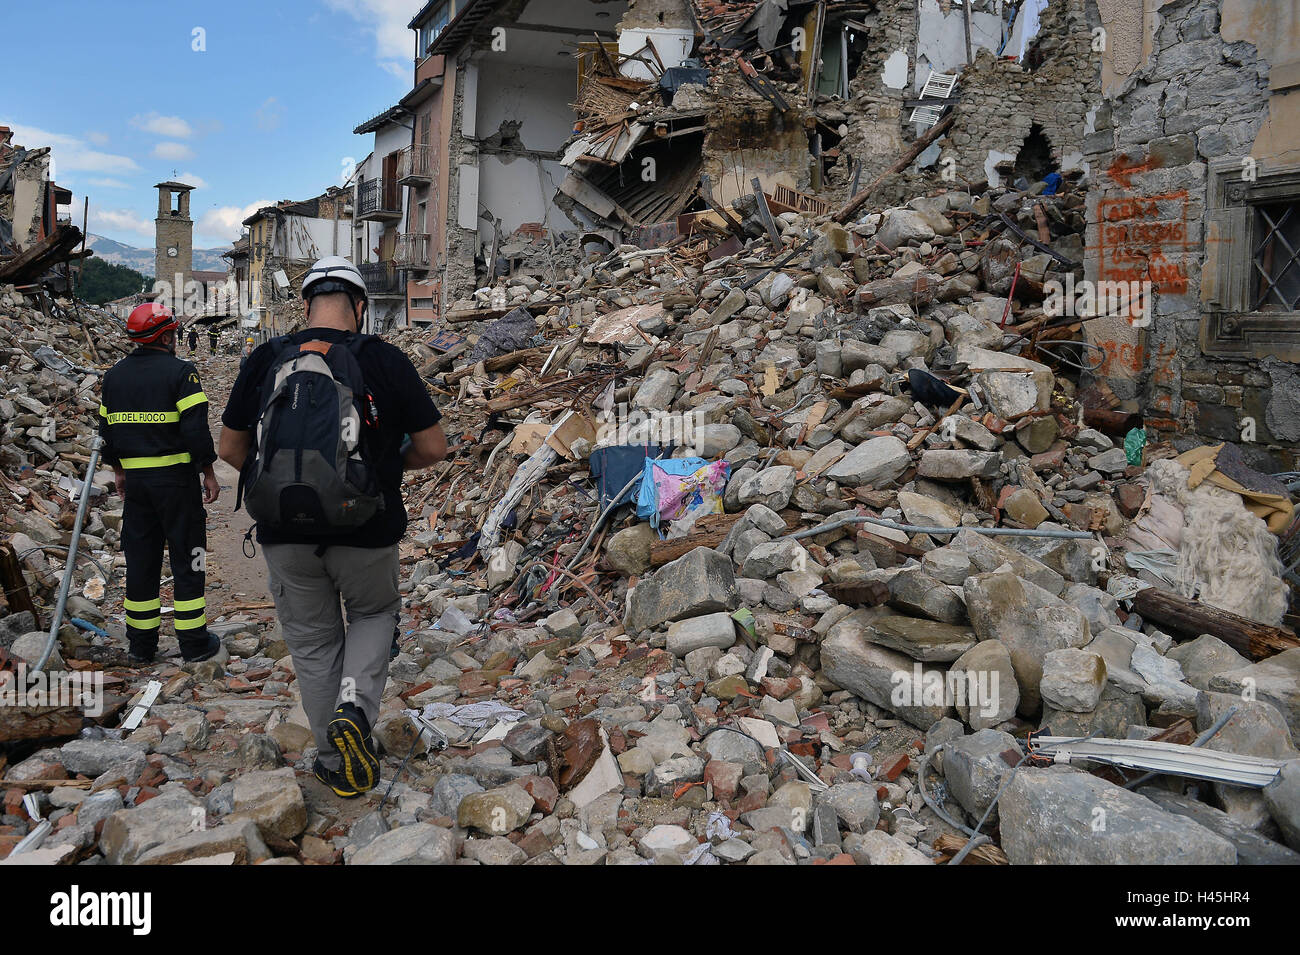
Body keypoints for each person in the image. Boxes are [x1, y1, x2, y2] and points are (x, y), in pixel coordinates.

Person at [219, 256, 447, 798]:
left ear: (304, 305)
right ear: (361, 307)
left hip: (284, 534)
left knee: (314, 644)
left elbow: (230, 448)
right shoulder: (384, 358)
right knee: (372, 613)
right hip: (366, 528)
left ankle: (333, 761)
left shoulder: (266, 358)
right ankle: (355, 708)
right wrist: (384, 467)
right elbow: (434, 447)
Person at [98, 303, 222, 665]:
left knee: (141, 559)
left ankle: (141, 645)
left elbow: (109, 430)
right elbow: (196, 430)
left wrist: (120, 470)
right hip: (176, 485)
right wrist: (209, 472)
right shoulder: (182, 373)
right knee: (189, 557)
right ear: (166, 336)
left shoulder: (115, 376)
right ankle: (194, 642)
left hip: (136, 485)